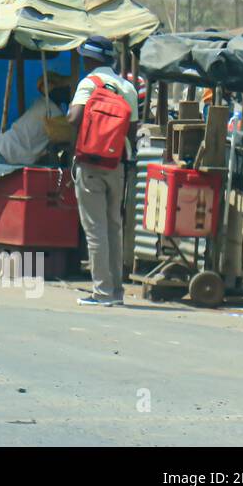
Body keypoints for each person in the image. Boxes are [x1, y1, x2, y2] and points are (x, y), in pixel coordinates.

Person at [67, 35, 139, 307]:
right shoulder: (128, 88)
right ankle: (116, 291)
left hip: (90, 164)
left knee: (95, 229)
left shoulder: (89, 83)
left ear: (89, 59)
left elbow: (73, 118)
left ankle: (101, 292)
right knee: (113, 227)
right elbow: (131, 130)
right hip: (117, 164)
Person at [0, 75, 74, 166]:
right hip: (8, 154)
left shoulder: (41, 103)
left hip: (4, 148)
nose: (69, 93)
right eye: (67, 90)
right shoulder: (52, 112)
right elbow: (70, 135)